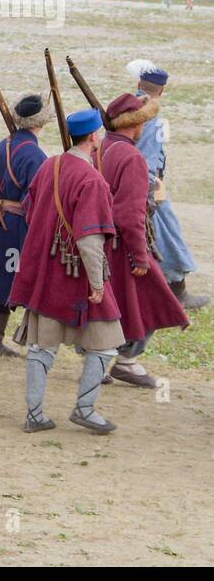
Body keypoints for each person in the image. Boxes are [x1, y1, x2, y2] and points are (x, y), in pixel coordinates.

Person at [10, 109, 125, 434]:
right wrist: (97, 282)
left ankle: (34, 414)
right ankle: (85, 409)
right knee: (105, 344)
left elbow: (30, 211)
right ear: (93, 137)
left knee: (41, 345)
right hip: (77, 275)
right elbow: (90, 239)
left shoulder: (50, 164)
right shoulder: (91, 179)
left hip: (46, 269)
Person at [95, 93, 188, 387]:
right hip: (123, 245)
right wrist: (139, 256)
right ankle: (125, 361)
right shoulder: (132, 157)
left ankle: (100, 361)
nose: (145, 127)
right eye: (142, 121)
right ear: (134, 124)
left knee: (114, 303)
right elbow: (130, 214)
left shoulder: (100, 147)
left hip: (100, 241)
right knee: (152, 299)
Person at [128, 61, 208, 309]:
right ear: (161, 91)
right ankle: (177, 293)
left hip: (130, 180)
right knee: (168, 234)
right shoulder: (150, 115)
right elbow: (148, 157)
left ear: (139, 84)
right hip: (146, 184)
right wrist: (151, 187)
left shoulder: (126, 107)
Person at [0, 93, 50, 357]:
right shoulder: (33, 153)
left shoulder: (3, 145)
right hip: (18, 226)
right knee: (14, 279)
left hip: (0, 221)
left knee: (1, 277)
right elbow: (37, 196)